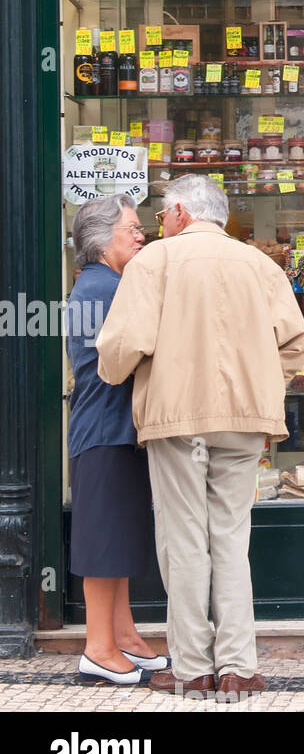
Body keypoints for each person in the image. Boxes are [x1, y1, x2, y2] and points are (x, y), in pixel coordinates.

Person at [97, 174, 304, 700]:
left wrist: (115, 373)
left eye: (163, 214)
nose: (158, 223)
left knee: (185, 542)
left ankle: (192, 668)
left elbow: (122, 347)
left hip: (178, 420)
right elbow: (295, 345)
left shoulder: (154, 263)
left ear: (183, 214)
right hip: (243, 422)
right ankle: (238, 666)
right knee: (232, 542)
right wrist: (260, 383)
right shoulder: (259, 265)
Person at [66, 194, 169, 687]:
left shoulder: (103, 284)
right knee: (104, 541)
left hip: (111, 429)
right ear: (102, 238)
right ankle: (97, 647)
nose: (140, 233)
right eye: (131, 228)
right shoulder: (105, 288)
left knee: (118, 537)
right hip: (105, 430)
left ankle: (124, 634)